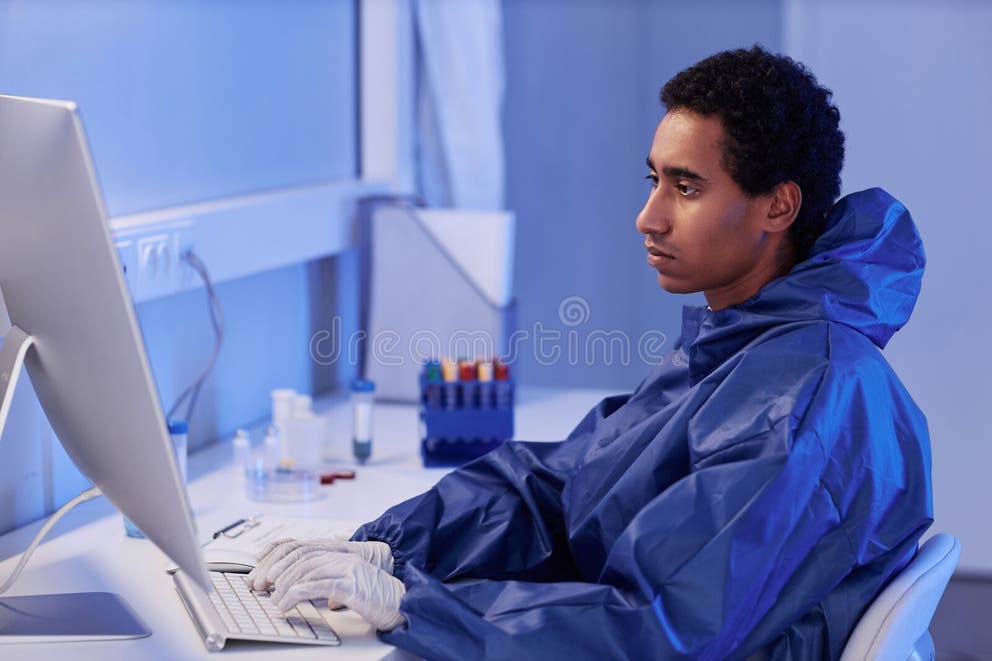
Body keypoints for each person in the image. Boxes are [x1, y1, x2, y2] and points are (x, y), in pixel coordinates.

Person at [249, 46, 932, 660]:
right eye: (653, 179)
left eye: (686, 187)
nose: (649, 215)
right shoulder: (744, 342)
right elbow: (566, 487)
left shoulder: (799, 396)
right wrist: (389, 544)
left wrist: (412, 605)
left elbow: (657, 630)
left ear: (777, 207)